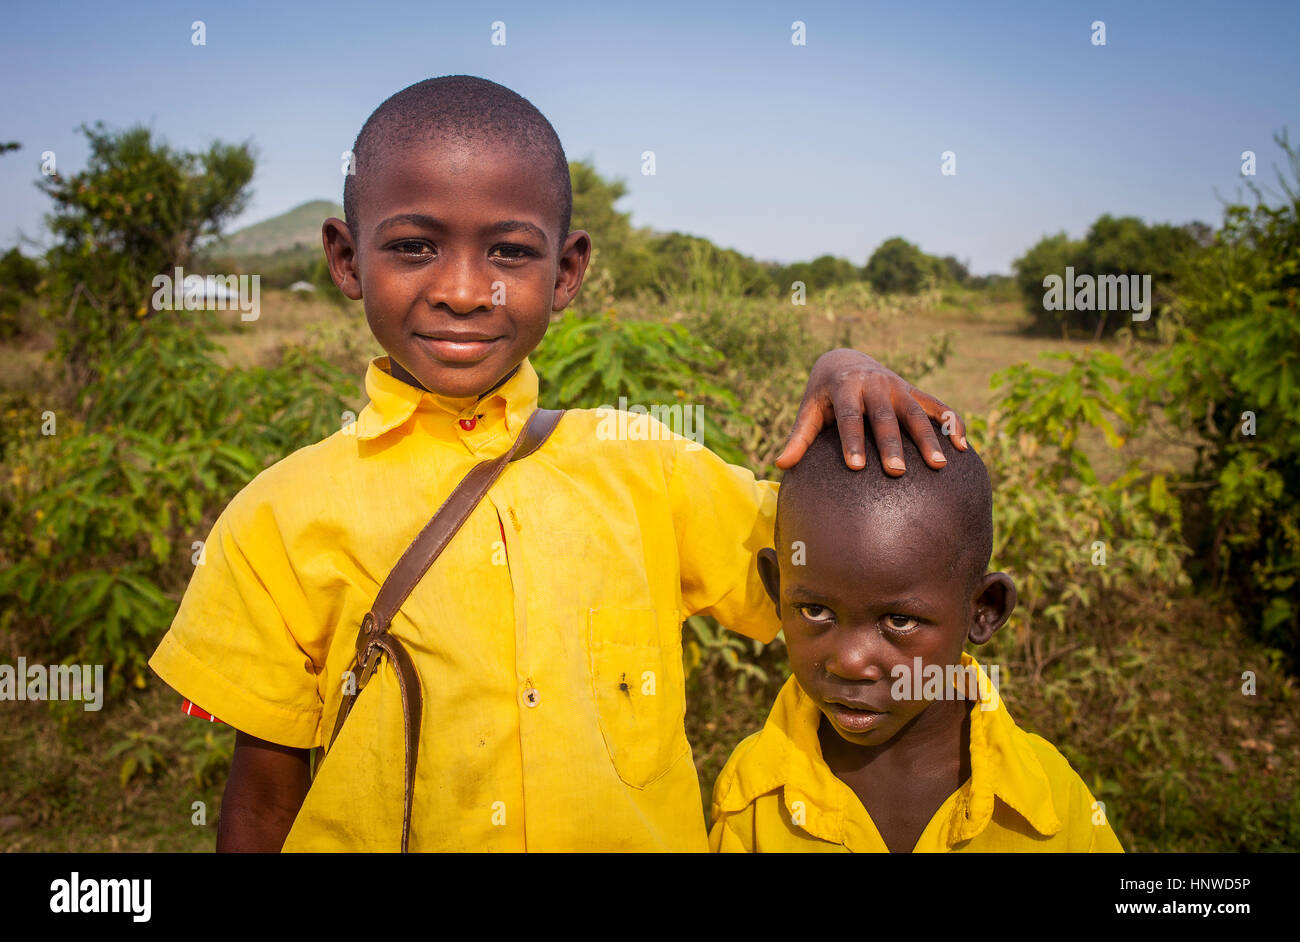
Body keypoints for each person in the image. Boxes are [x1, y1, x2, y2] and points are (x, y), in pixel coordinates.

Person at [149, 75, 967, 851]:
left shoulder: (648, 469)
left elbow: (861, 577)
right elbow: (262, 797)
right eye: (413, 246)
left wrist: (843, 366)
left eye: (508, 253)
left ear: (566, 271)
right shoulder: (278, 517)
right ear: (347, 260)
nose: (465, 291)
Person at [710, 421, 1123, 852]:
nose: (849, 662)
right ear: (777, 590)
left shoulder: (1051, 807)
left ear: (984, 610)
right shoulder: (752, 801)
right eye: (815, 611)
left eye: (899, 621)